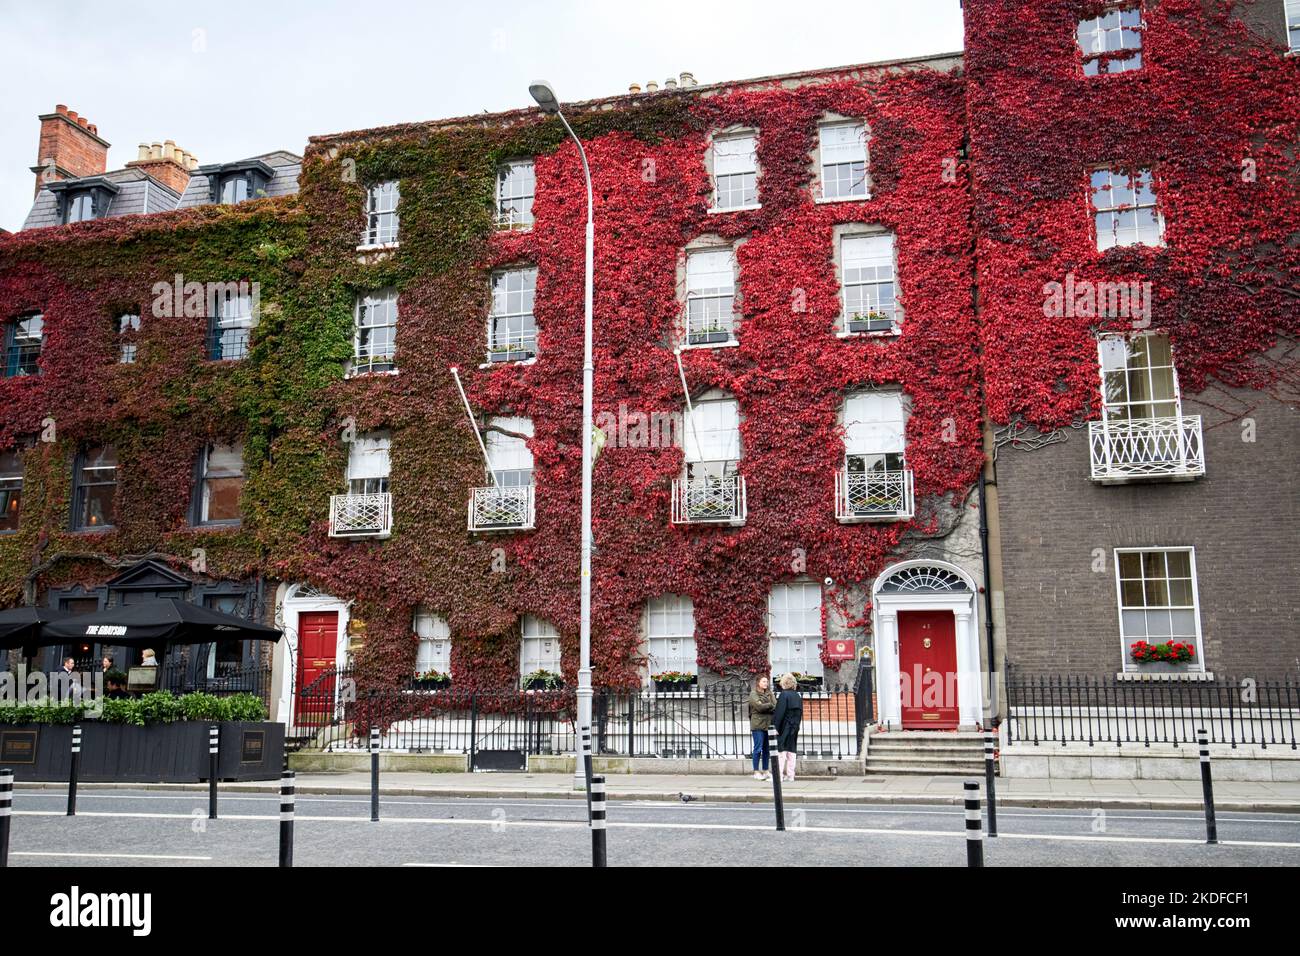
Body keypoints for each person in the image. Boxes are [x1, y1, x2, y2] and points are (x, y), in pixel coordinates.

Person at [772, 673, 804, 782]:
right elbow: (800, 713)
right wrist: (796, 725)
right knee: (791, 750)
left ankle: (779, 776)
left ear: (784, 683)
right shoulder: (797, 695)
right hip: (794, 726)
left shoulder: (784, 694)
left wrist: (775, 726)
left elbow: (780, 712)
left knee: (781, 751)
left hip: (785, 725)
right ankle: (791, 775)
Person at [748, 676, 776, 780]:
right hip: (758, 725)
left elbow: (776, 706)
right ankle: (756, 771)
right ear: (758, 682)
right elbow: (759, 707)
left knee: (766, 750)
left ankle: (765, 770)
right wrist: (769, 705)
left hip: (768, 725)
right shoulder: (753, 694)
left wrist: (767, 705)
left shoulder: (769, 693)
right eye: (763, 681)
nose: (766, 683)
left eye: (767, 681)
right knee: (757, 749)